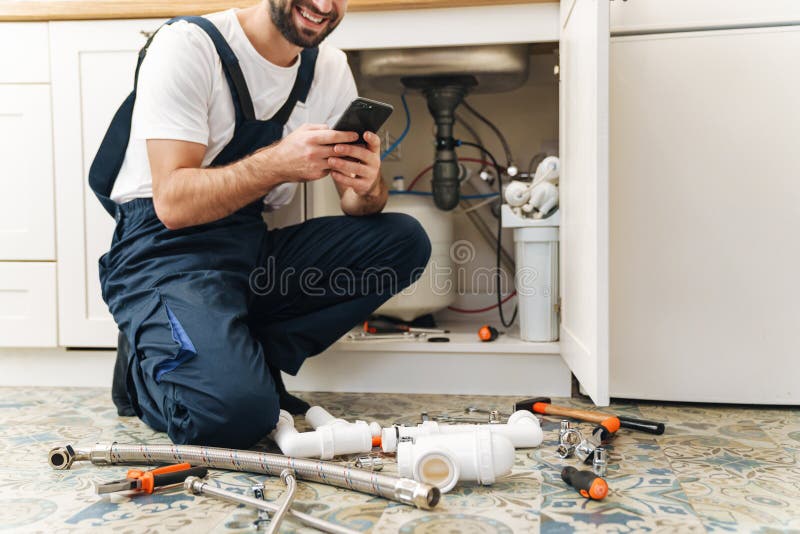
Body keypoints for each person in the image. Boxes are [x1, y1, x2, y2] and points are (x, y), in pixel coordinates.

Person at [90, 0, 431, 448]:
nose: (324, 6)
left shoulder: (328, 68)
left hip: (248, 246)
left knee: (404, 241)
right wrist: (277, 163)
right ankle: (145, 372)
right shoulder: (188, 46)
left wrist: (367, 186)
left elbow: (357, 205)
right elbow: (172, 202)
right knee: (237, 416)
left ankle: (234, 356)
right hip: (162, 250)